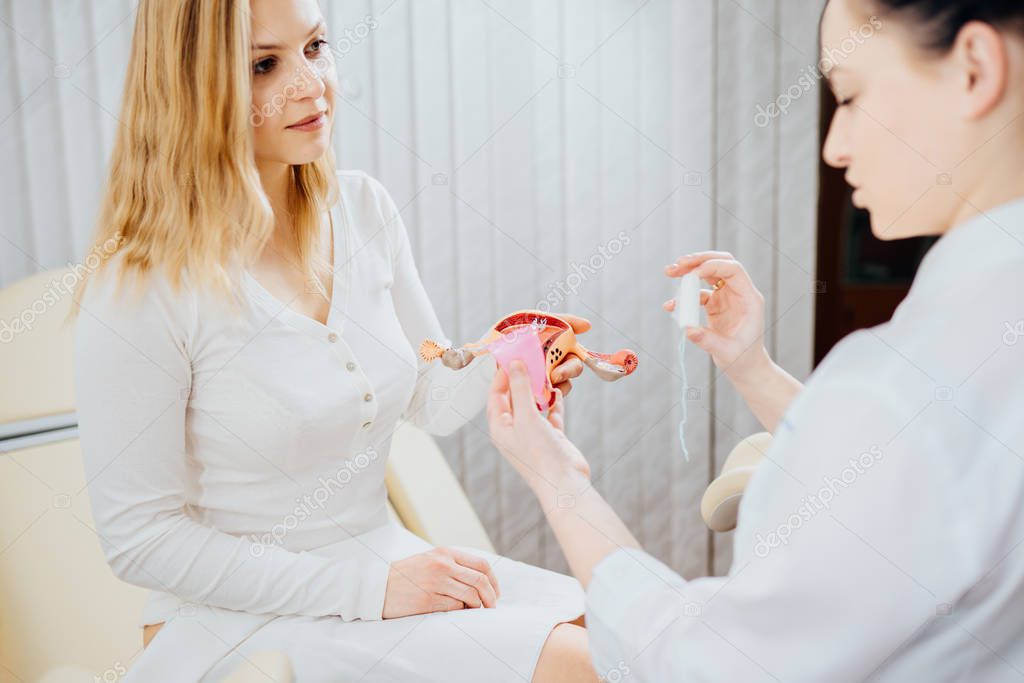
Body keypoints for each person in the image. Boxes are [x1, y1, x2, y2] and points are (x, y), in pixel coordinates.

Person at [487, 0, 1024, 680]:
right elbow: (928, 478)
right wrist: (753, 367)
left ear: (974, 68)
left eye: (849, 96)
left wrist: (556, 478)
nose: (834, 147)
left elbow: (705, 666)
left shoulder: (902, 380)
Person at [71, 0, 598, 680]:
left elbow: (429, 390)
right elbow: (139, 540)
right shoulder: (141, 284)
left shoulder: (362, 208)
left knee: (627, 635)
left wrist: (514, 354)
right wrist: (370, 590)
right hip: (235, 620)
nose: (310, 84)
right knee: (582, 666)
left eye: (315, 47)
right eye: (264, 65)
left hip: (383, 565)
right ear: (193, 89)